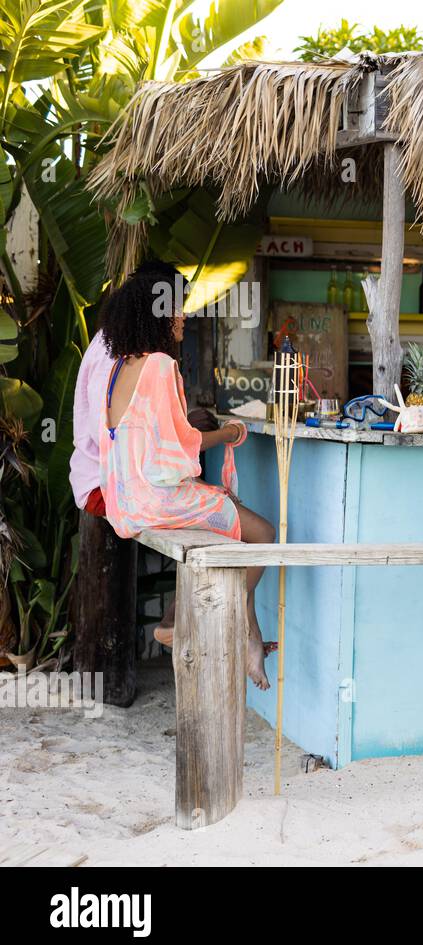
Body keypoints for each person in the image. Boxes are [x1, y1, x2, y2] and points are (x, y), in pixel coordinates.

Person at [97, 260, 277, 690]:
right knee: (264, 534)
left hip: (128, 502)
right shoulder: (161, 365)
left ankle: (230, 634)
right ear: (155, 316)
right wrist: (229, 433)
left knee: (223, 508)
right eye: (176, 310)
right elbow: (183, 446)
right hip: (157, 501)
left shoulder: (120, 366)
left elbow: (150, 441)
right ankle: (218, 622)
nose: (183, 318)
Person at [72, 326, 219, 647]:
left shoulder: (116, 346)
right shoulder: (145, 360)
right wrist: (207, 433)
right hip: (111, 489)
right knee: (224, 523)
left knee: (210, 509)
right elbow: (130, 443)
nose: (182, 319)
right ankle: (182, 622)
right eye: (176, 310)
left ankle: (189, 623)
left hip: (113, 483)